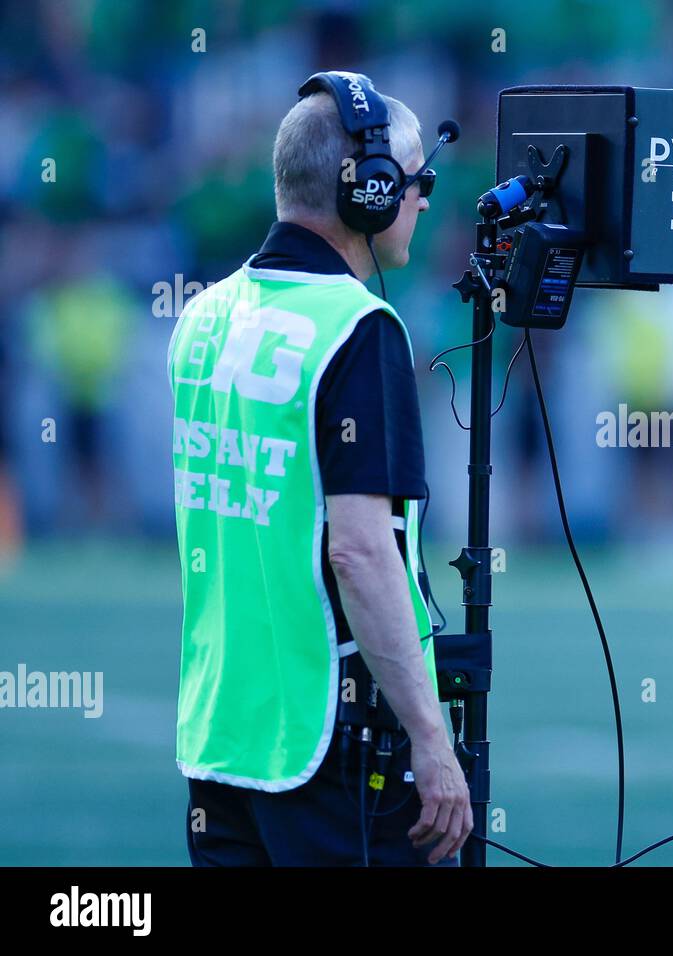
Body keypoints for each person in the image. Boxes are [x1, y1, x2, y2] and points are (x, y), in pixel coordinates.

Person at [167, 71, 470, 866]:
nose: (425, 198)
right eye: (413, 180)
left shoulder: (200, 319)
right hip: (326, 741)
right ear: (365, 192)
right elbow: (359, 550)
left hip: (221, 733)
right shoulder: (358, 328)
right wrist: (432, 740)